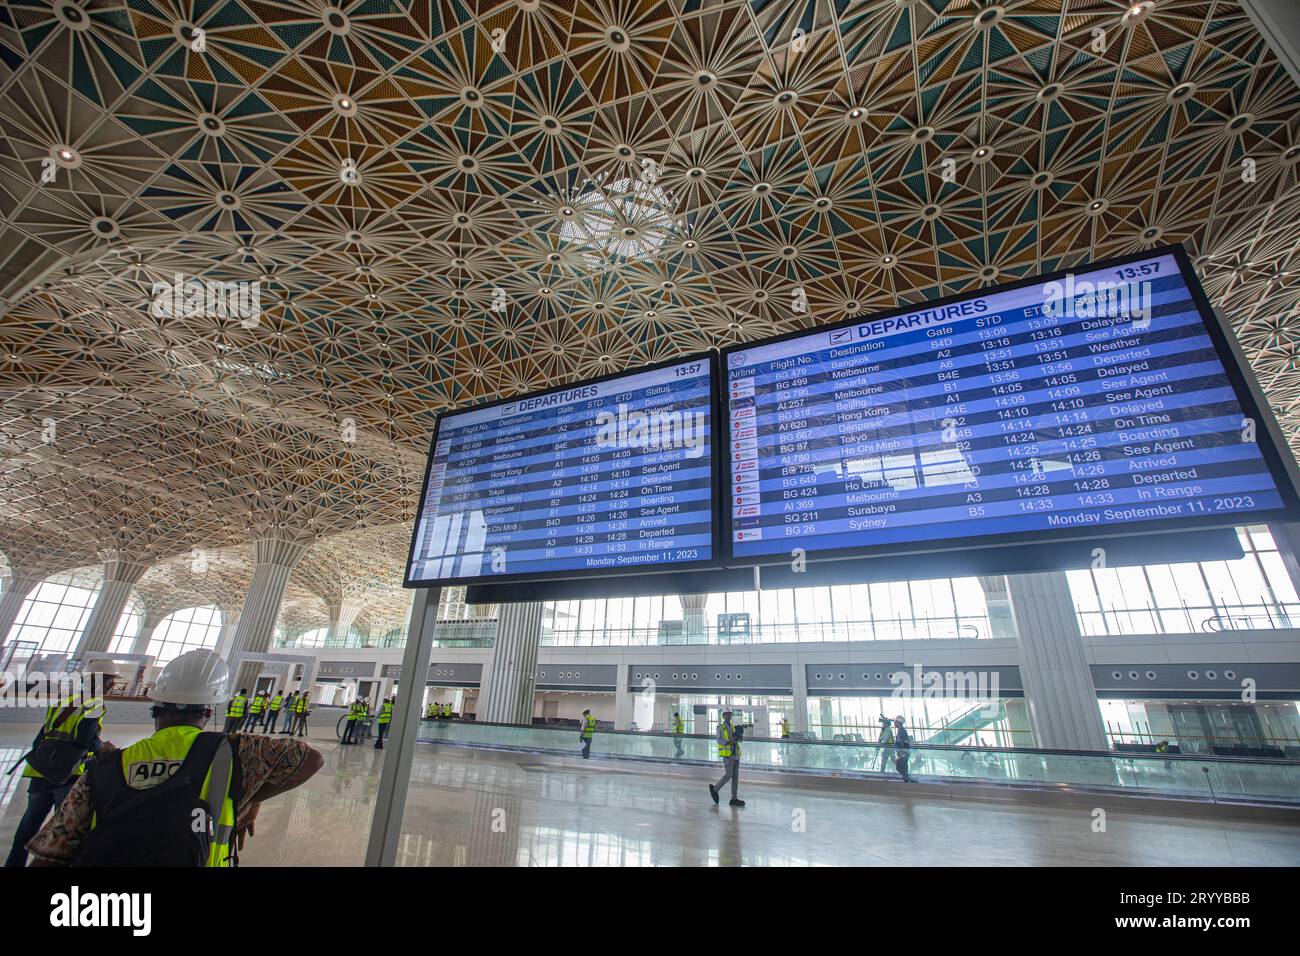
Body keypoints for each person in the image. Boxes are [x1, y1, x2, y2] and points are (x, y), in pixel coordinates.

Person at [23, 649, 323, 868]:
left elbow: (53, 852)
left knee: (29, 822)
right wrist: (247, 795)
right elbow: (310, 760)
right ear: (209, 710)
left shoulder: (108, 765)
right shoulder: (234, 753)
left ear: (156, 707)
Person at [4, 691, 109, 867]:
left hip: (41, 771)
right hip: (67, 773)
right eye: (110, 680)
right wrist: (103, 746)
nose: (112, 684)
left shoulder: (64, 702)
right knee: (63, 826)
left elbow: (39, 740)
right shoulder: (95, 704)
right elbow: (85, 739)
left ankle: (13, 864)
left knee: (29, 822)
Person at [709, 709, 744, 807]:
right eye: (727, 714)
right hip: (727, 755)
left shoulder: (733, 727)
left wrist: (740, 737)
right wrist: (730, 741)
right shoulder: (720, 727)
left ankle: (734, 798)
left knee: (735, 777)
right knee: (729, 775)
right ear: (723, 716)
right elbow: (719, 740)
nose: (729, 716)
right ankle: (715, 789)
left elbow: (738, 741)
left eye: (730, 714)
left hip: (735, 755)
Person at [893, 715, 916, 783]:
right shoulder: (901, 730)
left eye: (895, 722)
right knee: (903, 767)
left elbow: (902, 741)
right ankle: (907, 779)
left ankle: (909, 779)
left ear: (899, 722)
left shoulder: (901, 730)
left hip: (903, 751)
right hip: (904, 751)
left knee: (899, 767)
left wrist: (901, 751)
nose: (894, 723)